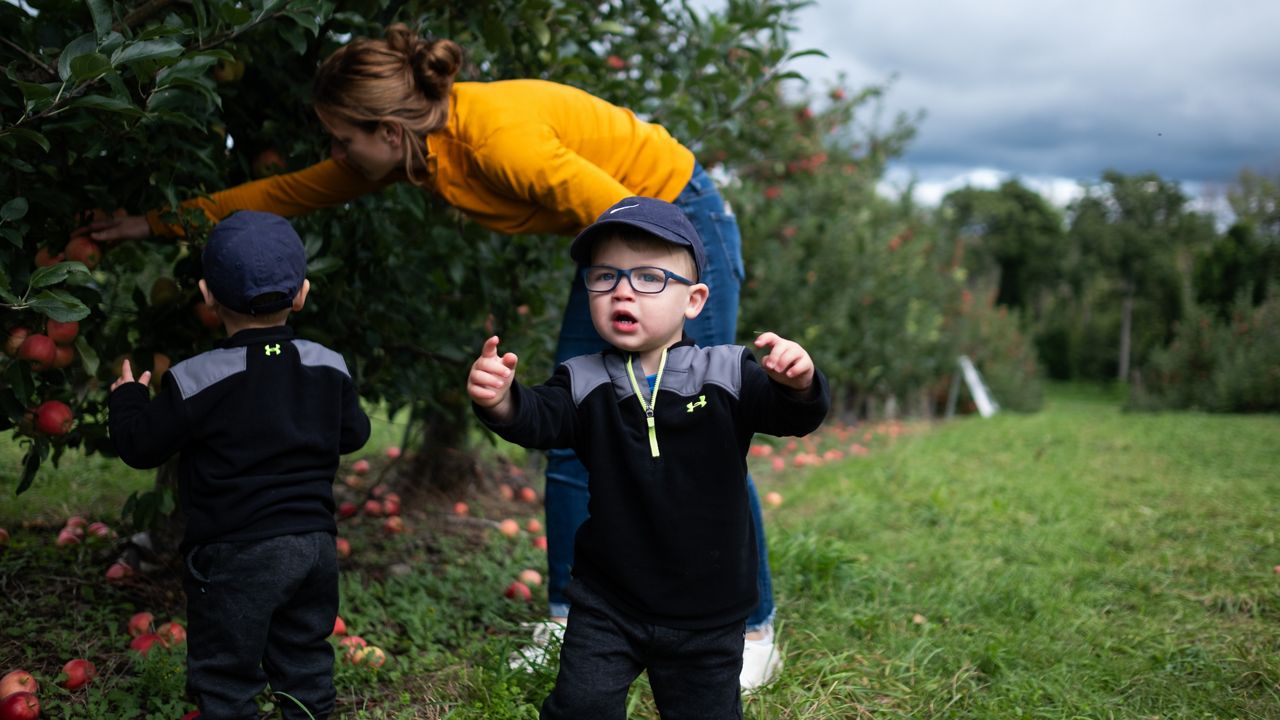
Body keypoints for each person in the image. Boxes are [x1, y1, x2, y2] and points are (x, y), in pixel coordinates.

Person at [77, 22, 784, 688]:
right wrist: (149, 223)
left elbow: (631, 220)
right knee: (575, 432)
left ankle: (748, 631)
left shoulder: (499, 143)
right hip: (617, 247)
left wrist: (646, 307)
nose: (335, 155)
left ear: (386, 130)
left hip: (669, 232)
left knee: (699, 427)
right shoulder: (413, 149)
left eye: (340, 139)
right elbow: (282, 194)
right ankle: (576, 616)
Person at [468, 197, 829, 717]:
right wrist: (501, 398)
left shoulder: (727, 373)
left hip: (709, 607)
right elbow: (539, 419)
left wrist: (799, 384)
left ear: (695, 300)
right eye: (606, 276)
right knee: (580, 705)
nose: (622, 291)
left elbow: (794, 417)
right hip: (608, 600)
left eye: (649, 278)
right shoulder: (582, 378)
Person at [108, 210, 372, 720]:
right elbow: (354, 434)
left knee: (227, 679)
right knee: (305, 667)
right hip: (313, 547)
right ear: (301, 294)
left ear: (207, 296)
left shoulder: (195, 379)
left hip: (236, 553)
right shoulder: (328, 365)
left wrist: (128, 401)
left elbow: (141, 448)